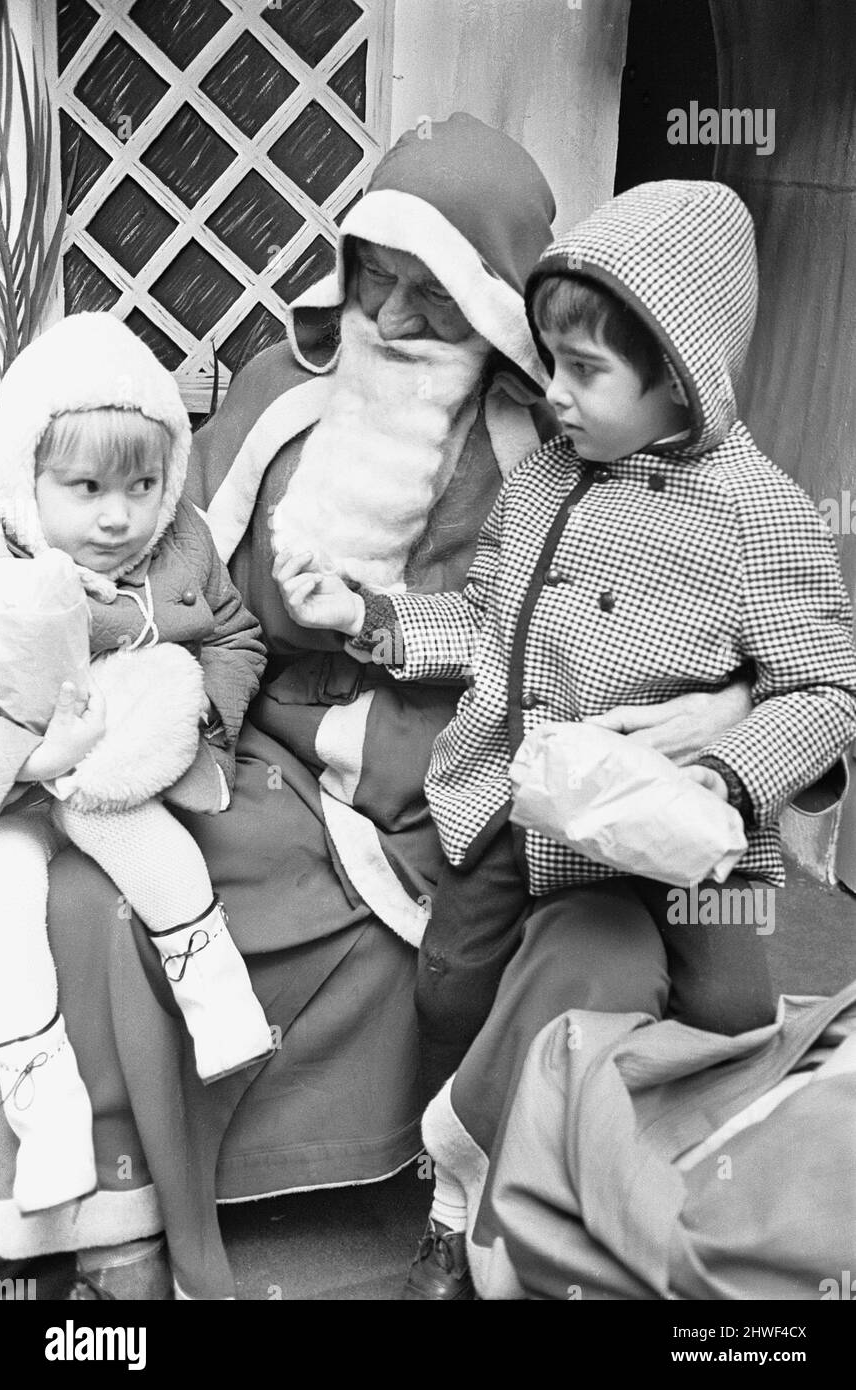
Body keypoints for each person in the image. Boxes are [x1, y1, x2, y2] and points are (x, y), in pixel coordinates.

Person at [0, 118, 750, 1300]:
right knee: (61, 882)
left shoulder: (548, 458)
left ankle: (155, 1212)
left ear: (494, 308)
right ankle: (92, 1201)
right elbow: (168, 559)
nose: (389, 320)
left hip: (412, 773)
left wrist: (732, 706)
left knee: (113, 889)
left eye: (433, 297)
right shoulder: (269, 395)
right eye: (375, 279)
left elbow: (592, 639)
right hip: (237, 731)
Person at [276, 178, 856, 1300]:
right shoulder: (540, 478)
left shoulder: (758, 513)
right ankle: (490, 1136)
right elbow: (488, 620)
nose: (554, 394)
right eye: (547, 361)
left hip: (677, 849)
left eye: (585, 371)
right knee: (452, 990)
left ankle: (492, 1181)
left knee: (729, 1022)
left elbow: (829, 689)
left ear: (680, 374)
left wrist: (726, 763)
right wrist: (372, 619)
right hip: (512, 810)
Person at [0, 316, 268, 1215]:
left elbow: (234, 634)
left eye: (142, 485)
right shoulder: (4, 566)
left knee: (117, 801)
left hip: (121, 763)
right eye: (85, 488)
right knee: (0, 900)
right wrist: (38, 758)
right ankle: (46, 1111)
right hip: (13, 780)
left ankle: (212, 982)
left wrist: (202, 716)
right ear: (27, 483)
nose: (118, 515)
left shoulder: (180, 544)